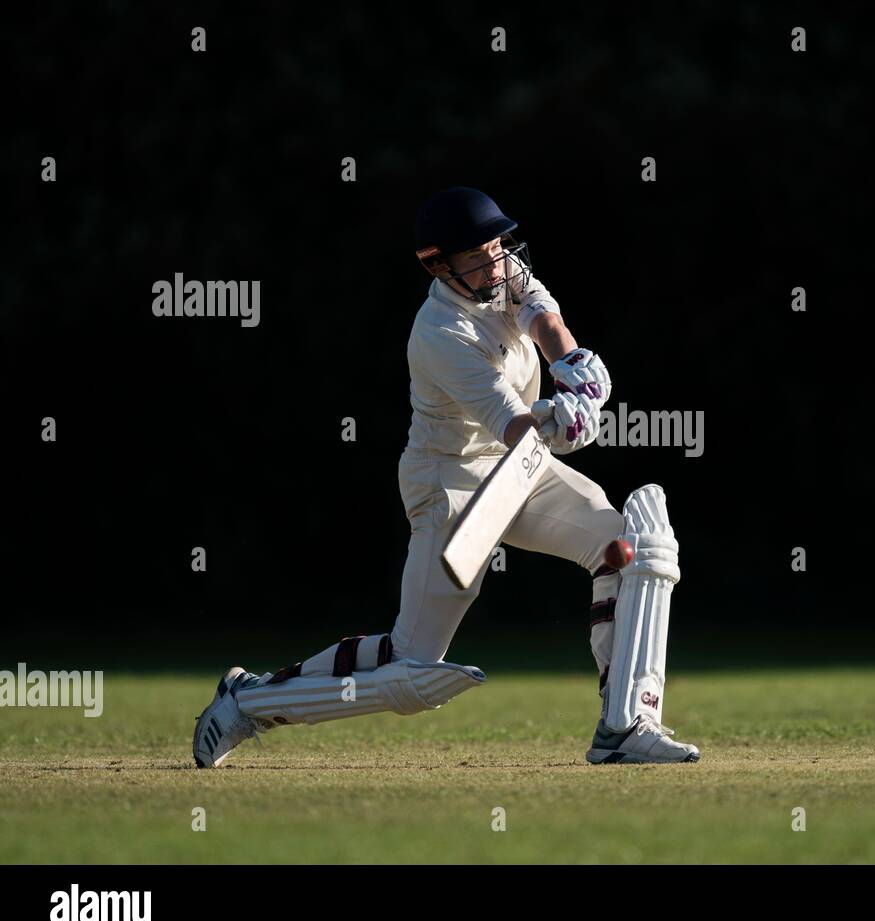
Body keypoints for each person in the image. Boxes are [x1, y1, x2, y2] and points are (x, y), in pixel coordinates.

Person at [192, 187, 699, 767]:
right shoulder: (438, 333)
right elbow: (511, 424)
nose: (495, 263)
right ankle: (250, 701)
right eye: (477, 257)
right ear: (438, 265)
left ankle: (626, 724)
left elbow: (547, 320)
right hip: (451, 484)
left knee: (630, 550)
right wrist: (563, 422)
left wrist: (573, 370)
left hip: (518, 471)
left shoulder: (504, 273)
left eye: (497, 247)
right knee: (410, 668)